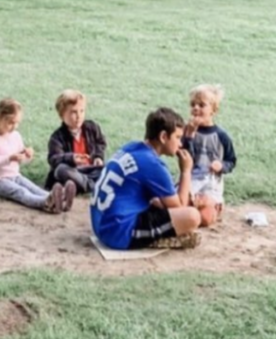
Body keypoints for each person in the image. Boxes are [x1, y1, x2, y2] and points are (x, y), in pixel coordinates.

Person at [91, 107, 202, 250]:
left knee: (158, 201)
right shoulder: (153, 164)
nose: (180, 144)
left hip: (100, 225)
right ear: (163, 137)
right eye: (178, 137)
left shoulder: (131, 147)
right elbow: (180, 207)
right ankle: (157, 240)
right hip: (118, 234)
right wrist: (186, 171)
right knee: (192, 216)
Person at [0, 98, 75, 214]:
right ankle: (47, 202)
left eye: (17, 123)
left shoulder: (15, 135)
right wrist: (9, 158)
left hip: (15, 175)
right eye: (11, 123)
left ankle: (61, 198)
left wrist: (27, 155)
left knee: (34, 188)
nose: (14, 126)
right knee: (20, 191)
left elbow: (21, 160)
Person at [183, 84, 237, 226]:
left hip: (211, 185)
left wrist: (222, 166)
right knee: (180, 207)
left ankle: (213, 208)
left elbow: (231, 161)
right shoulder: (187, 131)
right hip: (191, 182)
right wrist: (189, 137)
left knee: (205, 218)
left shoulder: (221, 136)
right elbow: (184, 156)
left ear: (214, 110)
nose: (196, 108)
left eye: (201, 105)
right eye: (193, 104)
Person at [45, 89, 107, 194]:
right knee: (61, 170)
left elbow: (100, 143)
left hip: (91, 169)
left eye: (82, 111)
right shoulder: (57, 137)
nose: (79, 116)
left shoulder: (92, 127)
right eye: (73, 112)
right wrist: (72, 158)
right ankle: (93, 186)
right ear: (62, 115)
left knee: (112, 166)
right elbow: (54, 159)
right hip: (74, 171)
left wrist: (98, 156)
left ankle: (79, 185)